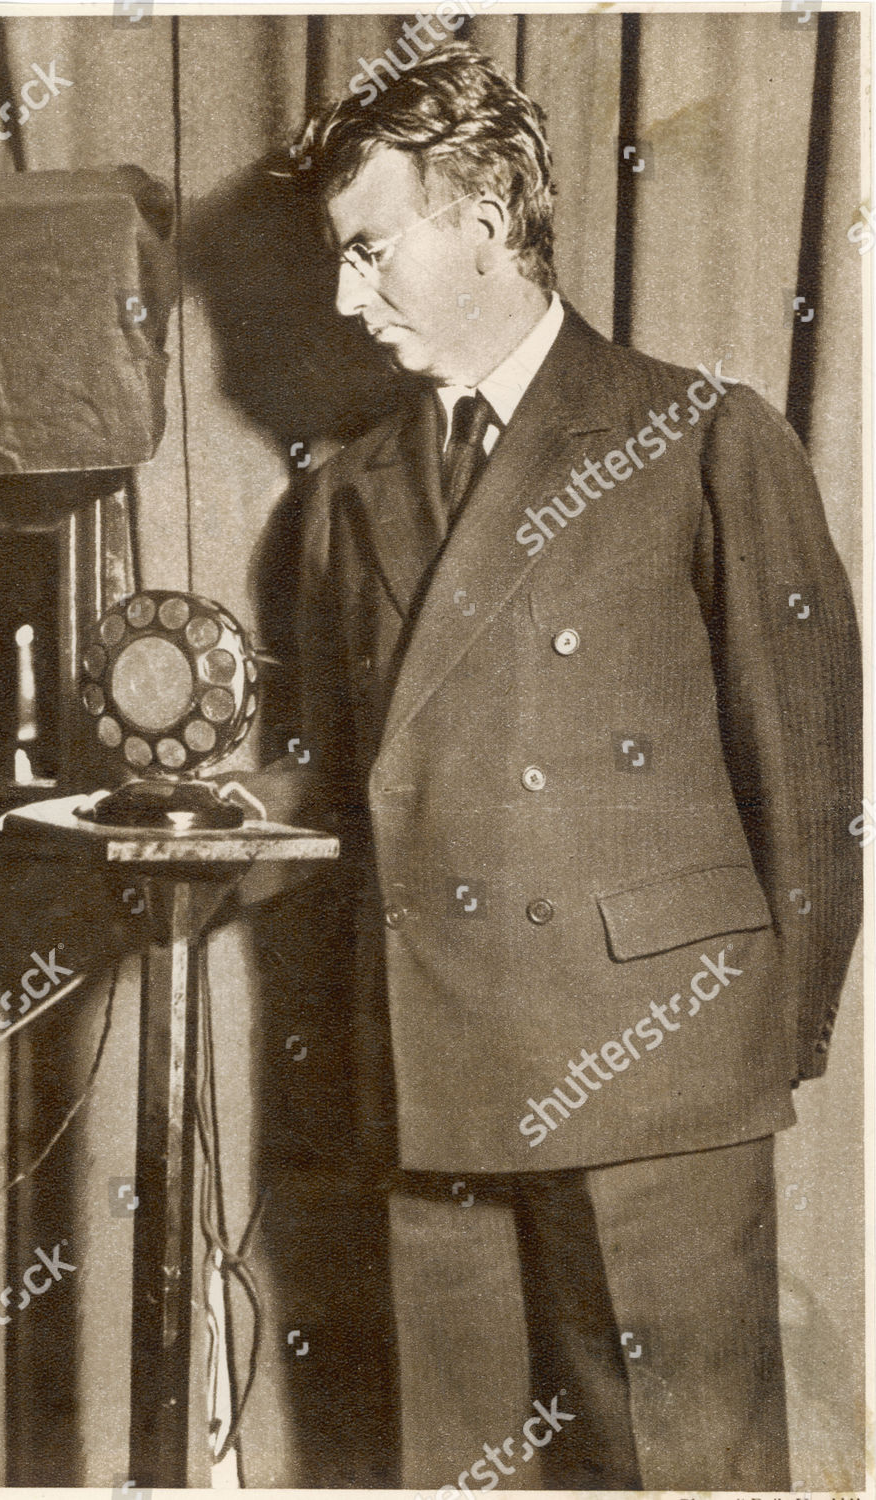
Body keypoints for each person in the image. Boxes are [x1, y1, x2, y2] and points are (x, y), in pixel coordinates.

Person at [261, 40, 862, 1491]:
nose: (346, 297)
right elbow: (349, 794)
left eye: (370, 250)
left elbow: (814, 778)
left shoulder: (703, 435)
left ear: (480, 220)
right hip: (429, 1071)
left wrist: (757, 1040)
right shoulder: (347, 496)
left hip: (658, 1076)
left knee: (683, 1470)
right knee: (449, 1462)